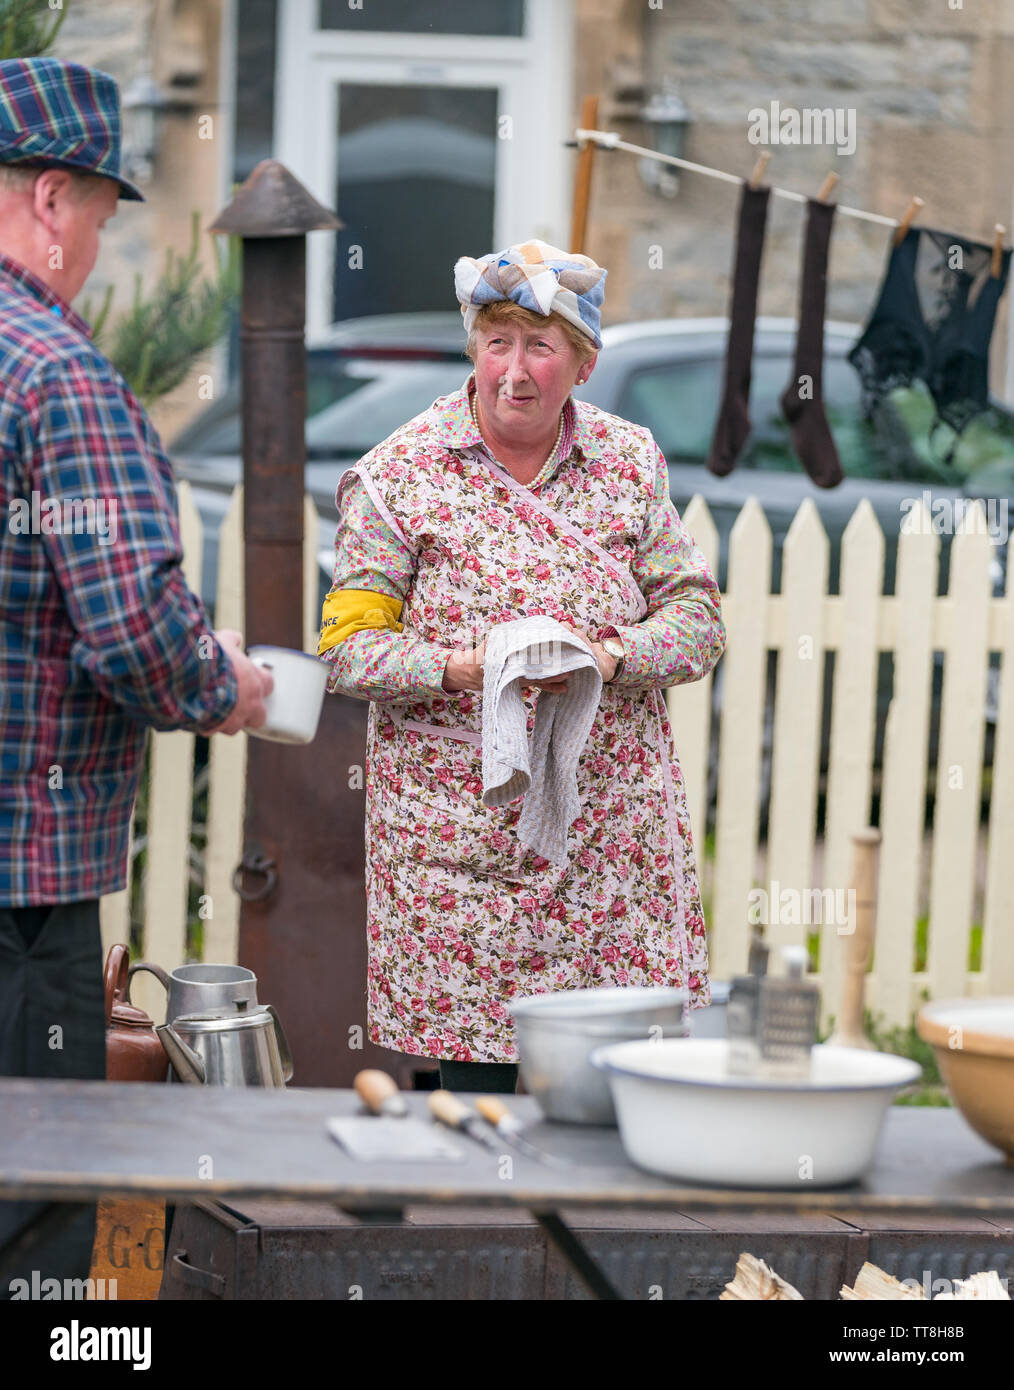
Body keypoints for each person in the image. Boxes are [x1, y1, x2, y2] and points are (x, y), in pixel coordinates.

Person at [319, 238, 726, 1094]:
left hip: (608, 848)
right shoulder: (401, 476)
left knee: (606, 1101)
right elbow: (349, 648)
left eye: (541, 346)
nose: (514, 369)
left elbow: (697, 619)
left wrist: (609, 657)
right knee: (478, 1103)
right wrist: (468, 668)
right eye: (497, 341)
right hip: (457, 849)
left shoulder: (627, 463)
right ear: (472, 346)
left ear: (582, 365)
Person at [0, 58, 272, 1290]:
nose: (98, 254)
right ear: (54, 200)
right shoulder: (57, 374)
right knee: (36, 1206)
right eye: (104, 224)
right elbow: (134, 637)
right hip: (24, 885)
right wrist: (237, 688)